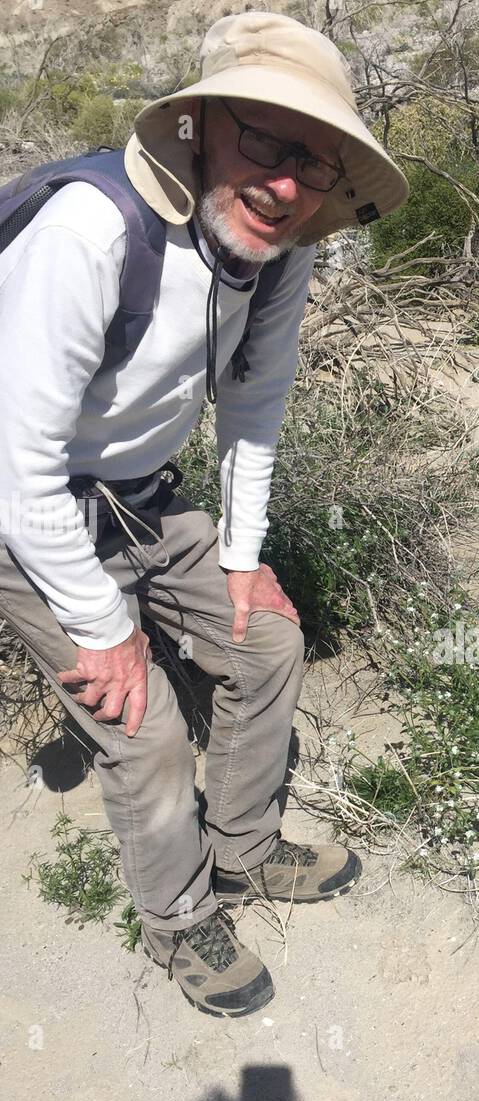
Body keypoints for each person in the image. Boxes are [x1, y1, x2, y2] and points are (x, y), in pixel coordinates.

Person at [0, 12, 410, 1017]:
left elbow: (255, 407)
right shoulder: (90, 234)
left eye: (315, 164)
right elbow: (18, 468)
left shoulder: (278, 248)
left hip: (141, 496)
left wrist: (239, 557)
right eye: (264, 141)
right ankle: (179, 921)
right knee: (140, 726)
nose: (283, 184)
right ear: (199, 126)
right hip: (29, 508)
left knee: (264, 637)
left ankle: (246, 850)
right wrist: (106, 629)